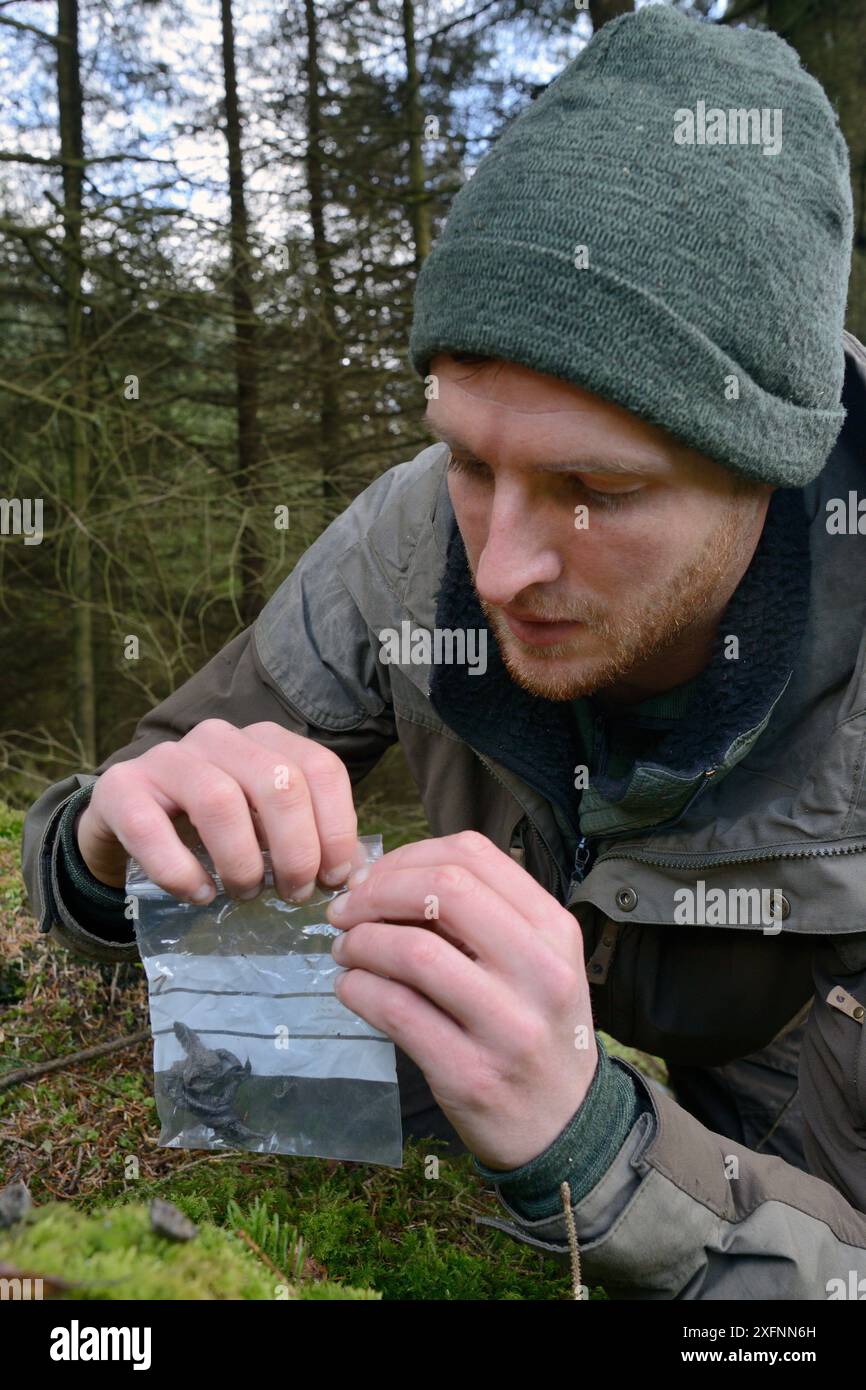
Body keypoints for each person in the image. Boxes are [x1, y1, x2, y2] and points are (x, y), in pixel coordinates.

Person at [22, 7, 866, 1298]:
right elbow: (143, 790)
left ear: (773, 473)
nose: (502, 563)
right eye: (473, 457)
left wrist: (601, 1151)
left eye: (594, 485)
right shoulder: (408, 540)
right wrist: (102, 855)